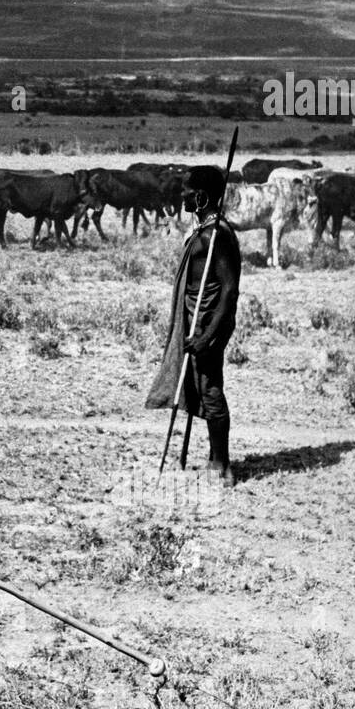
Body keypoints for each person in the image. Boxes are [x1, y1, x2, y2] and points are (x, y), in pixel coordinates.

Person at [145, 164, 241, 485]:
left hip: (208, 323)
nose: (181, 195)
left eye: (186, 190)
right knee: (201, 384)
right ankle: (215, 459)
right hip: (195, 321)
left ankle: (223, 466)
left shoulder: (218, 236)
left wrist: (208, 334)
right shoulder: (202, 231)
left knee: (210, 387)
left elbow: (228, 291)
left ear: (200, 196)